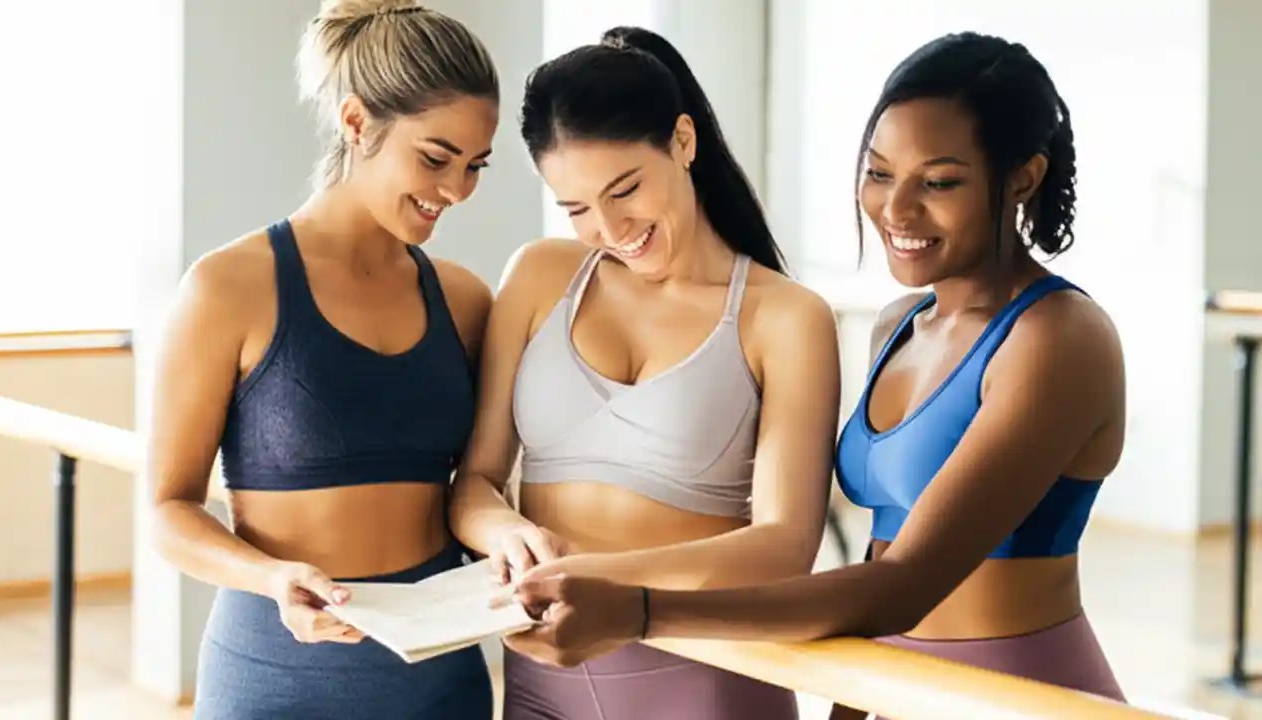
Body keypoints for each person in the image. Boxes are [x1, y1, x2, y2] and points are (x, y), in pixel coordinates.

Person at [504, 31, 1129, 714]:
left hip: (1020, 694)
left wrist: (643, 611)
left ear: (1023, 178)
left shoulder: (1060, 337)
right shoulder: (900, 326)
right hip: (894, 685)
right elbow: (881, 555)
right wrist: (848, 706)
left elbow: (907, 584)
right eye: (879, 173)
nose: (896, 209)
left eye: (939, 182)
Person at [448, 26, 841, 720]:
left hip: (705, 684)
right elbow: (475, 482)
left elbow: (785, 546)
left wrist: (599, 582)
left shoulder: (785, 317)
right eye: (576, 208)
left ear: (683, 142)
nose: (609, 228)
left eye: (625, 189)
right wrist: (507, 535)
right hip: (541, 685)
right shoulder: (539, 276)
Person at [146, 2, 501, 717]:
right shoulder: (227, 287)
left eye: (475, 166)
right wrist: (271, 577)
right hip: (277, 675)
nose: (456, 190)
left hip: (440, 681)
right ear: (357, 122)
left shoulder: (465, 301)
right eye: (436, 158)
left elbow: (475, 487)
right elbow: (167, 510)